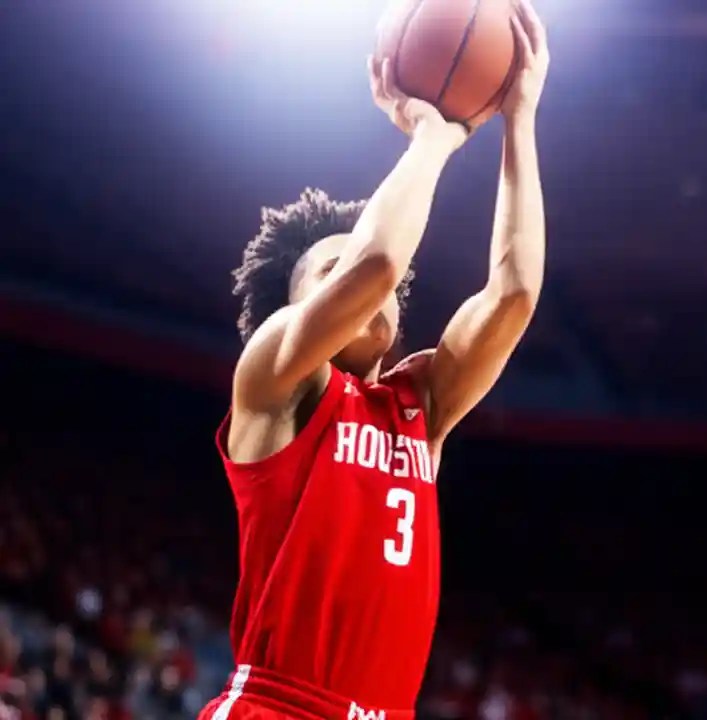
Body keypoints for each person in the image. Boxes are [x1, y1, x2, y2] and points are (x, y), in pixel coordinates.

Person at [198, 2, 549, 718]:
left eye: (346, 265)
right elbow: (381, 260)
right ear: (293, 309)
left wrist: (520, 119)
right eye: (329, 270)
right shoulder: (273, 376)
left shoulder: (419, 406)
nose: (355, 281)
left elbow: (513, 294)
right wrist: (432, 133)